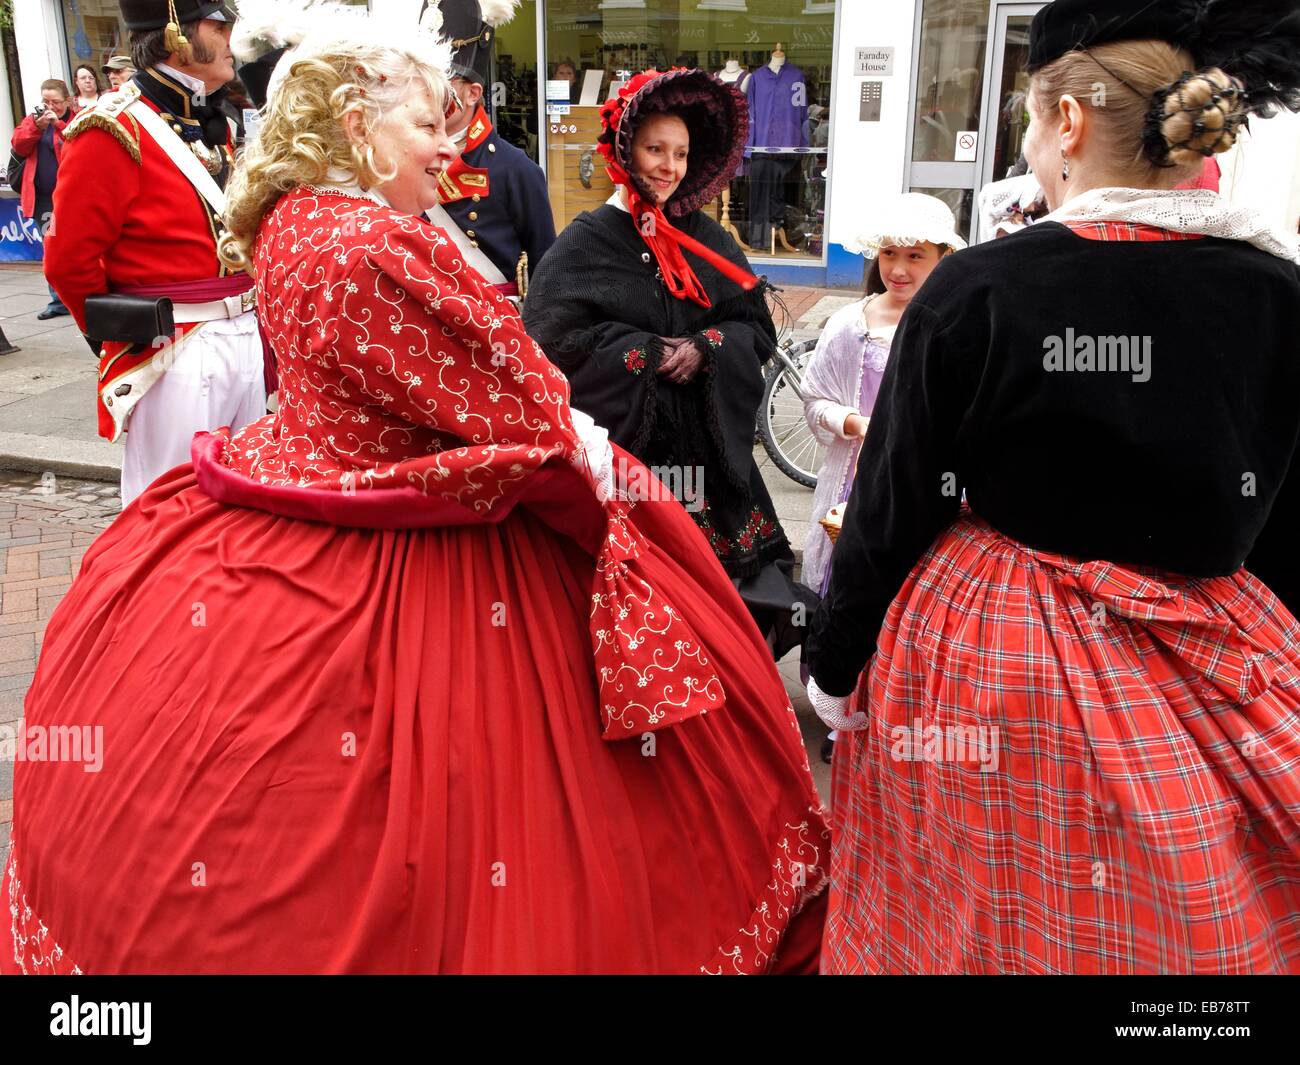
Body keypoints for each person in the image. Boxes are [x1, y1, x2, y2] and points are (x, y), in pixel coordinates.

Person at [1, 16, 829, 975]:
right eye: (430, 124)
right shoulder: (385, 247)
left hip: (287, 486)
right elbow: (526, 407)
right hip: (419, 531)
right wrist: (609, 481)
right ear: (356, 122)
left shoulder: (292, 218)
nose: (451, 145)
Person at [806, 0, 1300, 975]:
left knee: (981, 910)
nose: (1029, 147)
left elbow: (895, 502)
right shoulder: (1278, 293)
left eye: (1029, 122)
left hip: (999, 660)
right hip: (1221, 651)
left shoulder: (981, 288)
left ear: (1067, 122)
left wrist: (835, 663)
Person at [524, 68, 818, 660]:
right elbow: (549, 341)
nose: (669, 166)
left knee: (728, 598)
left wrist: (708, 347)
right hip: (634, 461)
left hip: (710, 462)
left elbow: (754, 326)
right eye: (655, 149)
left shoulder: (708, 237)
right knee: (646, 598)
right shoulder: (586, 241)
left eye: (681, 153)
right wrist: (645, 353)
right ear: (624, 150)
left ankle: (726, 702)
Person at [44, 0, 266, 507]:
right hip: (175, 346)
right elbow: (69, 261)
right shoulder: (110, 126)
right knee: (168, 507)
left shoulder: (217, 121)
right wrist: (121, 335)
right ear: (178, 37)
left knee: (247, 505)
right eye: (220, 24)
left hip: (246, 332)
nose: (233, 35)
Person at [800, 194, 963, 764]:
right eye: (890, 254)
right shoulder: (853, 322)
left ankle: (901, 710)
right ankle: (840, 709)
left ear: (943, 257)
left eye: (915, 256)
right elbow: (815, 396)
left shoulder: (957, 323)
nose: (899, 268)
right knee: (850, 594)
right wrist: (850, 421)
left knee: (909, 598)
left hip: (923, 493)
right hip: (856, 489)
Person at [416, 1, 555, 294]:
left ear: (472, 93)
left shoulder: (516, 168)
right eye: (423, 81)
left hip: (496, 324)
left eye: (442, 80)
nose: (429, 93)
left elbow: (546, 269)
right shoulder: (405, 160)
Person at [10, 79, 74, 320]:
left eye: (55, 102)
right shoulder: (33, 120)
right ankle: (58, 301)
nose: (50, 106)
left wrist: (58, 124)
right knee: (53, 244)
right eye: (46, 101)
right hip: (45, 200)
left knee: (78, 244)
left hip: (73, 196)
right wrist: (37, 127)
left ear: (67, 100)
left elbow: (76, 142)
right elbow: (18, 145)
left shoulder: (76, 118)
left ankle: (81, 294)